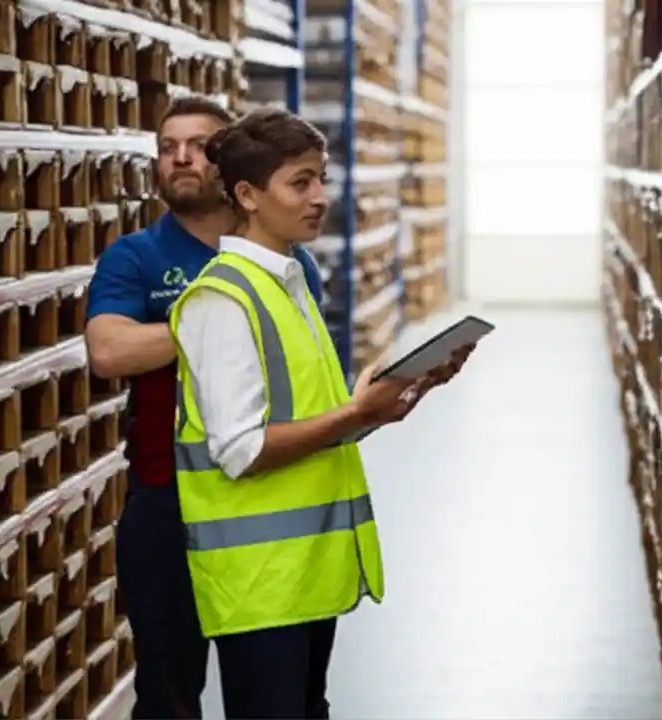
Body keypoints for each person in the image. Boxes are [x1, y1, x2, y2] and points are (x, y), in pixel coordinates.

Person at [167, 108, 472, 718]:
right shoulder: (221, 301)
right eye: (299, 183)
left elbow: (309, 412)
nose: (319, 198)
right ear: (248, 196)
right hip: (259, 582)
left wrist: (389, 398)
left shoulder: (290, 282)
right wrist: (358, 412)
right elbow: (241, 449)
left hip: (304, 575)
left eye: (321, 179)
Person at [84, 96, 328, 719]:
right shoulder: (137, 256)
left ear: (235, 173)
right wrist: (220, 319)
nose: (182, 158)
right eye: (168, 147)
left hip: (261, 506)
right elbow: (109, 351)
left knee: (286, 697)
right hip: (167, 502)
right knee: (168, 695)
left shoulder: (290, 261)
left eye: (199, 145)